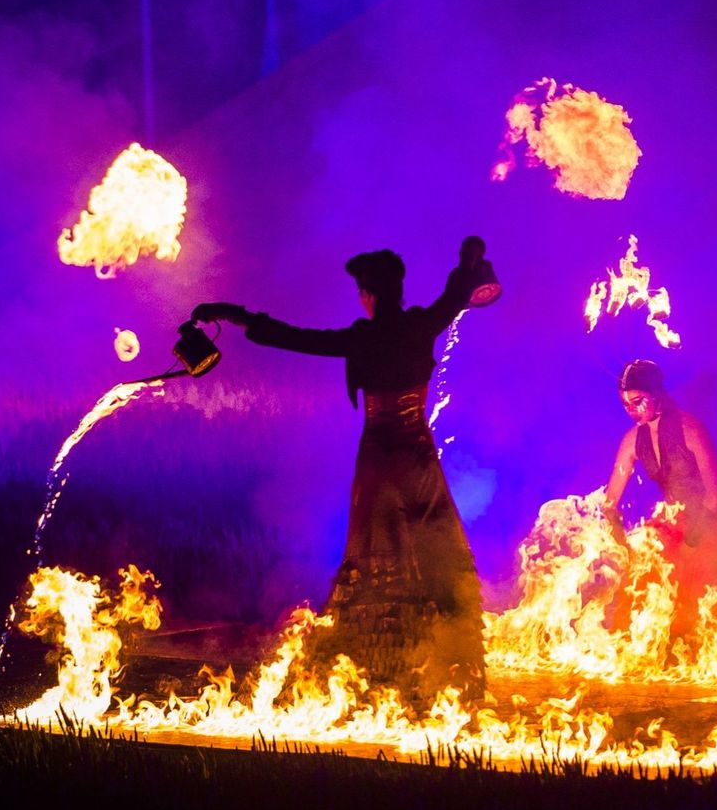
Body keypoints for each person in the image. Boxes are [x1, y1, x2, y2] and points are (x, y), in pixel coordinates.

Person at [191, 237, 498, 700]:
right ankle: (431, 651)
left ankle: (391, 660)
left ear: (369, 294)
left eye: (361, 289)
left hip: (380, 458)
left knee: (382, 551)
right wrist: (469, 260)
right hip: (416, 455)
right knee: (426, 544)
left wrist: (233, 314)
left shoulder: (365, 336)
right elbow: (454, 296)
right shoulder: (419, 325)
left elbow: (294, 338)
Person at [602, 360, 717, 633]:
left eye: (639, 401)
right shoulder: (632, 440)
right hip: (676, 529)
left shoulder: (690, 430)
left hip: (711, 530)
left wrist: (692, 545)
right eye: (625, 405)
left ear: (657, 392)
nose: (632, 410)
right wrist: (620, 544)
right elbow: (609, 503)